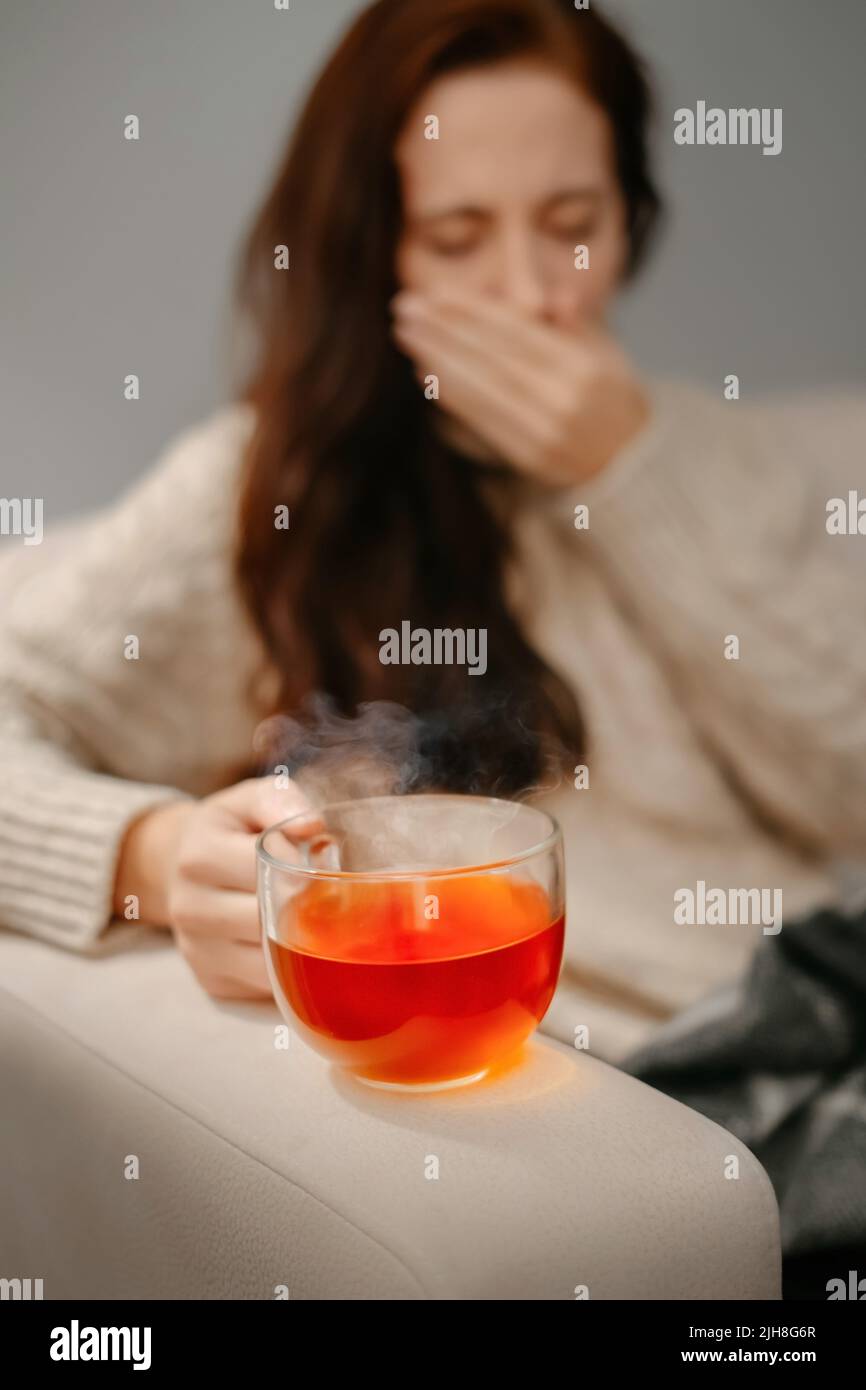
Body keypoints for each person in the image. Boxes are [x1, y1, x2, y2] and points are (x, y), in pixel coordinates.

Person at [1, 0, 864, 1065]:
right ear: (373, 255)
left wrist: (629, 475)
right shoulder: (269, 493)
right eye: (457, 238)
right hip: (655, 1103)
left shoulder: (708, 451)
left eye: (572, 226)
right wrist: (148, 852)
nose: (525, 293)